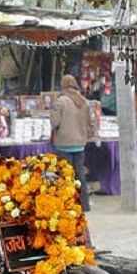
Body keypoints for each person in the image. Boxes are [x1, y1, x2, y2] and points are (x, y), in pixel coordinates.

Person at [52, 74, 93, 211]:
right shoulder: (84, 101)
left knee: (65, 175)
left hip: (63, 144)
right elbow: (90, 123)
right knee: (80, 175)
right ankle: (84, 204)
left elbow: (55, 123)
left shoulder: (60, 101)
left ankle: (68, 205)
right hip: (80, 144)